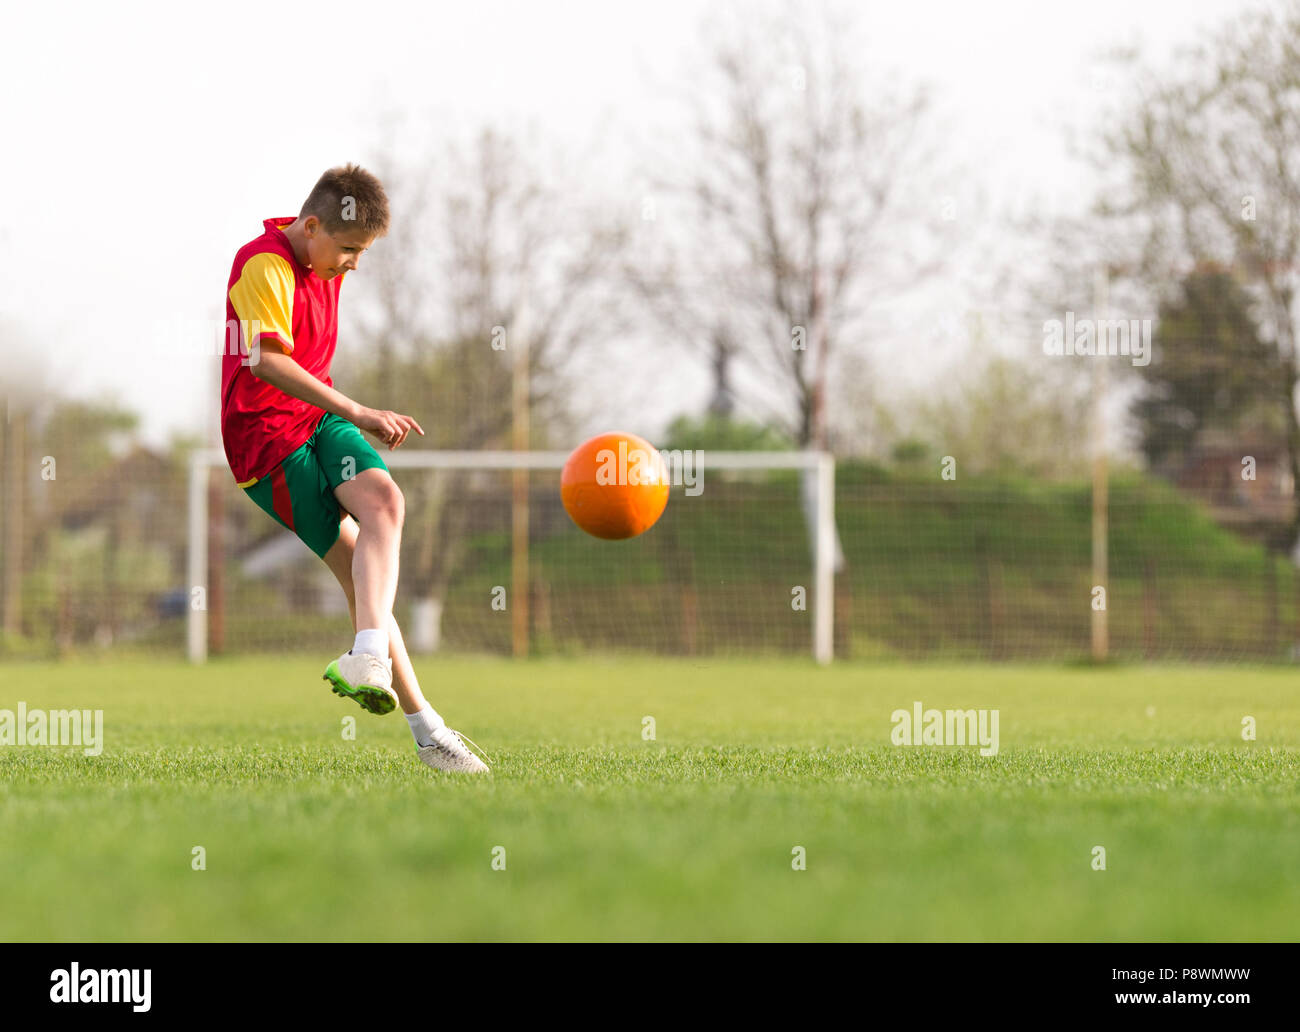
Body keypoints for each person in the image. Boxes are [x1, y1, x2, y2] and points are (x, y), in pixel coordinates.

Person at [220, 163, 488, 774]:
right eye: (348, 251)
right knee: (355, 577)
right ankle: (429, 732)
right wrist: (358, 410)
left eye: (361, 253)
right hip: (266, 447)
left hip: (314, 421)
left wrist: (343, 413)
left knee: (387, 506)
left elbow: (309, 362)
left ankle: (366, 655)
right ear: (310, 226)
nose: (353, 265)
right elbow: (265, 362)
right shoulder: (263, 265)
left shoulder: (323, 257)